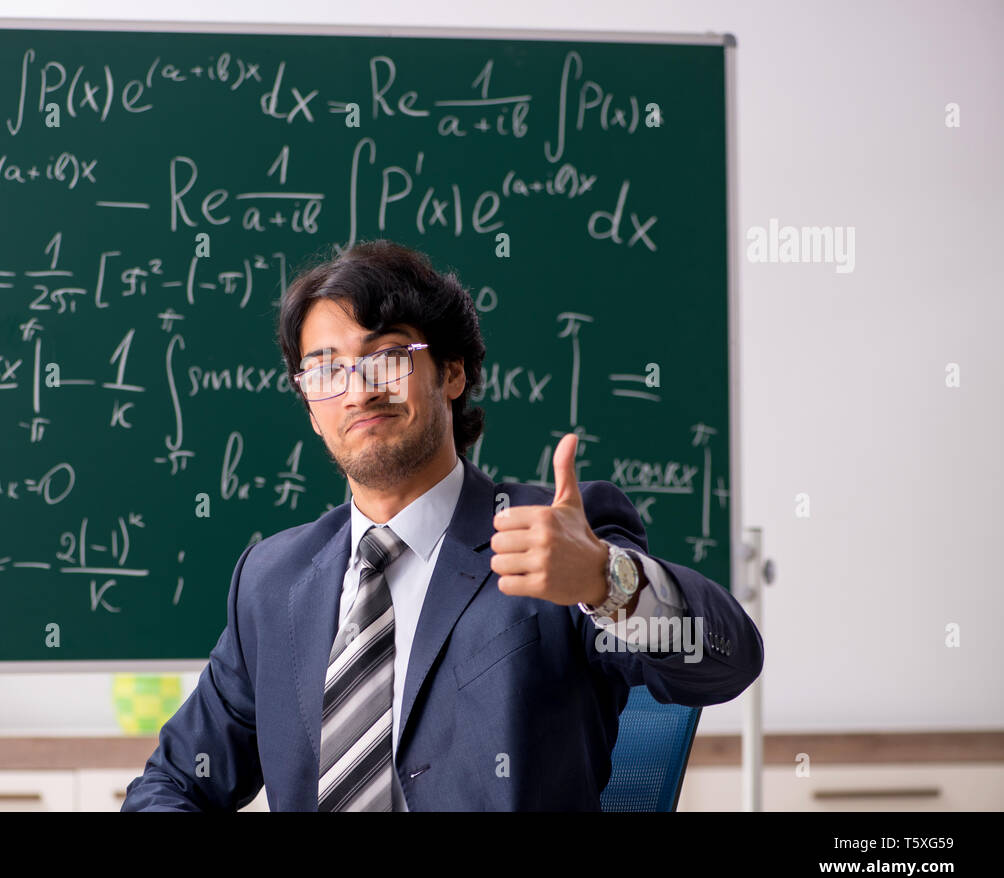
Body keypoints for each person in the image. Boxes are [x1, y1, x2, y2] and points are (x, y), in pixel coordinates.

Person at [122, 239, 762, 811]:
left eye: (387, 357)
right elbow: (174, 784)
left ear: (452, 373)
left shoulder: (554, 537)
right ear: (312, 408)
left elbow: (728, 661)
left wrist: (607, 581)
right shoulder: (271, 580)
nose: (358, 390)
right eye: (325, 370)